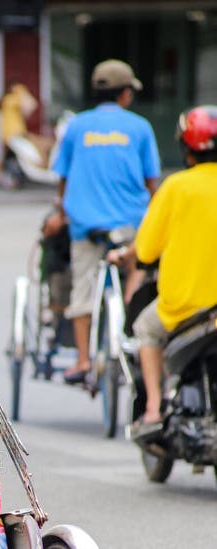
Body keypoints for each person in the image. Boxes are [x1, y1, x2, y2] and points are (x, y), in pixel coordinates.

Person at [48, 59, 161, 383]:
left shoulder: (77, 126)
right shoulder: (140, 127)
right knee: (136, 273)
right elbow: (151, 183)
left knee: (83, 286)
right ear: (125, 94)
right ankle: (130, 333)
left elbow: (63, 178)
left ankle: (83, 361)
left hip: (85, 223)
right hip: (129, 223)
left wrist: (61, 213)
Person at [116, 105, 217, 437]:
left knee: (145, 328)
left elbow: (145, 250)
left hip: (186, 305)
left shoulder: (175, 187)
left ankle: (153, 408)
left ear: (187, 149)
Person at [0, 82, 53, 188]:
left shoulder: (6, 100)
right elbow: (32, 104)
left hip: (6, 134)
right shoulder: (14, 99)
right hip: (16, 133)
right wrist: (22, 91)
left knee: (3, 157)